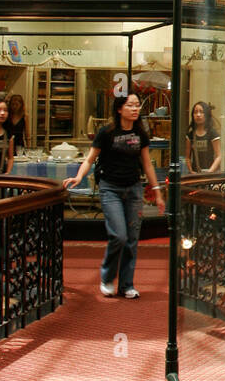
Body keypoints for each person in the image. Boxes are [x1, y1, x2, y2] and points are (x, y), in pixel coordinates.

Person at [64, 93, 165, 299]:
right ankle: (107, 276)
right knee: (119, 235)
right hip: (110, 189)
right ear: (120, 109)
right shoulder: (106, 132)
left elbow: (147, 164)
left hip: (134, 189)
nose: (135, 109)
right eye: (130, 105)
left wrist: (157, 192)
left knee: (132, 239)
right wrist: (78, 176)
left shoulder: (140, 134)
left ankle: (127, 284)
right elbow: (90, 159)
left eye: (137, 105)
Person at [185, 101, 221, 174]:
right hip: (196, 174)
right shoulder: (190, 135)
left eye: (201, 112)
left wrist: (210, 171)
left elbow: (218, 156)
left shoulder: (212, 133)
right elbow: (187, 157)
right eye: (195, 112)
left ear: (206, 114)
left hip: (210, 174)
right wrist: (191, 171)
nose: (198, 115)